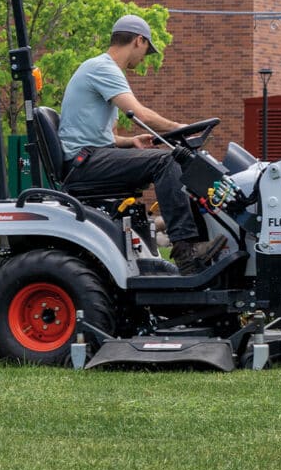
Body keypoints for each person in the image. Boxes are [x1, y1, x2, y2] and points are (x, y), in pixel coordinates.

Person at [58, 14, 225, 275]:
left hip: (90, 155)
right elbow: (141, 115)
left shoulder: (100, 69)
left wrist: (130, 141)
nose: (144, 58)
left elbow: (104, 136)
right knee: (167, 161)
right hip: (84, 162)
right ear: (139, 40)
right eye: (146, 50)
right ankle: (186, 251)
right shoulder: (104, 68)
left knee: (174, 160)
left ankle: (198, 246)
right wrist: (180, 128)